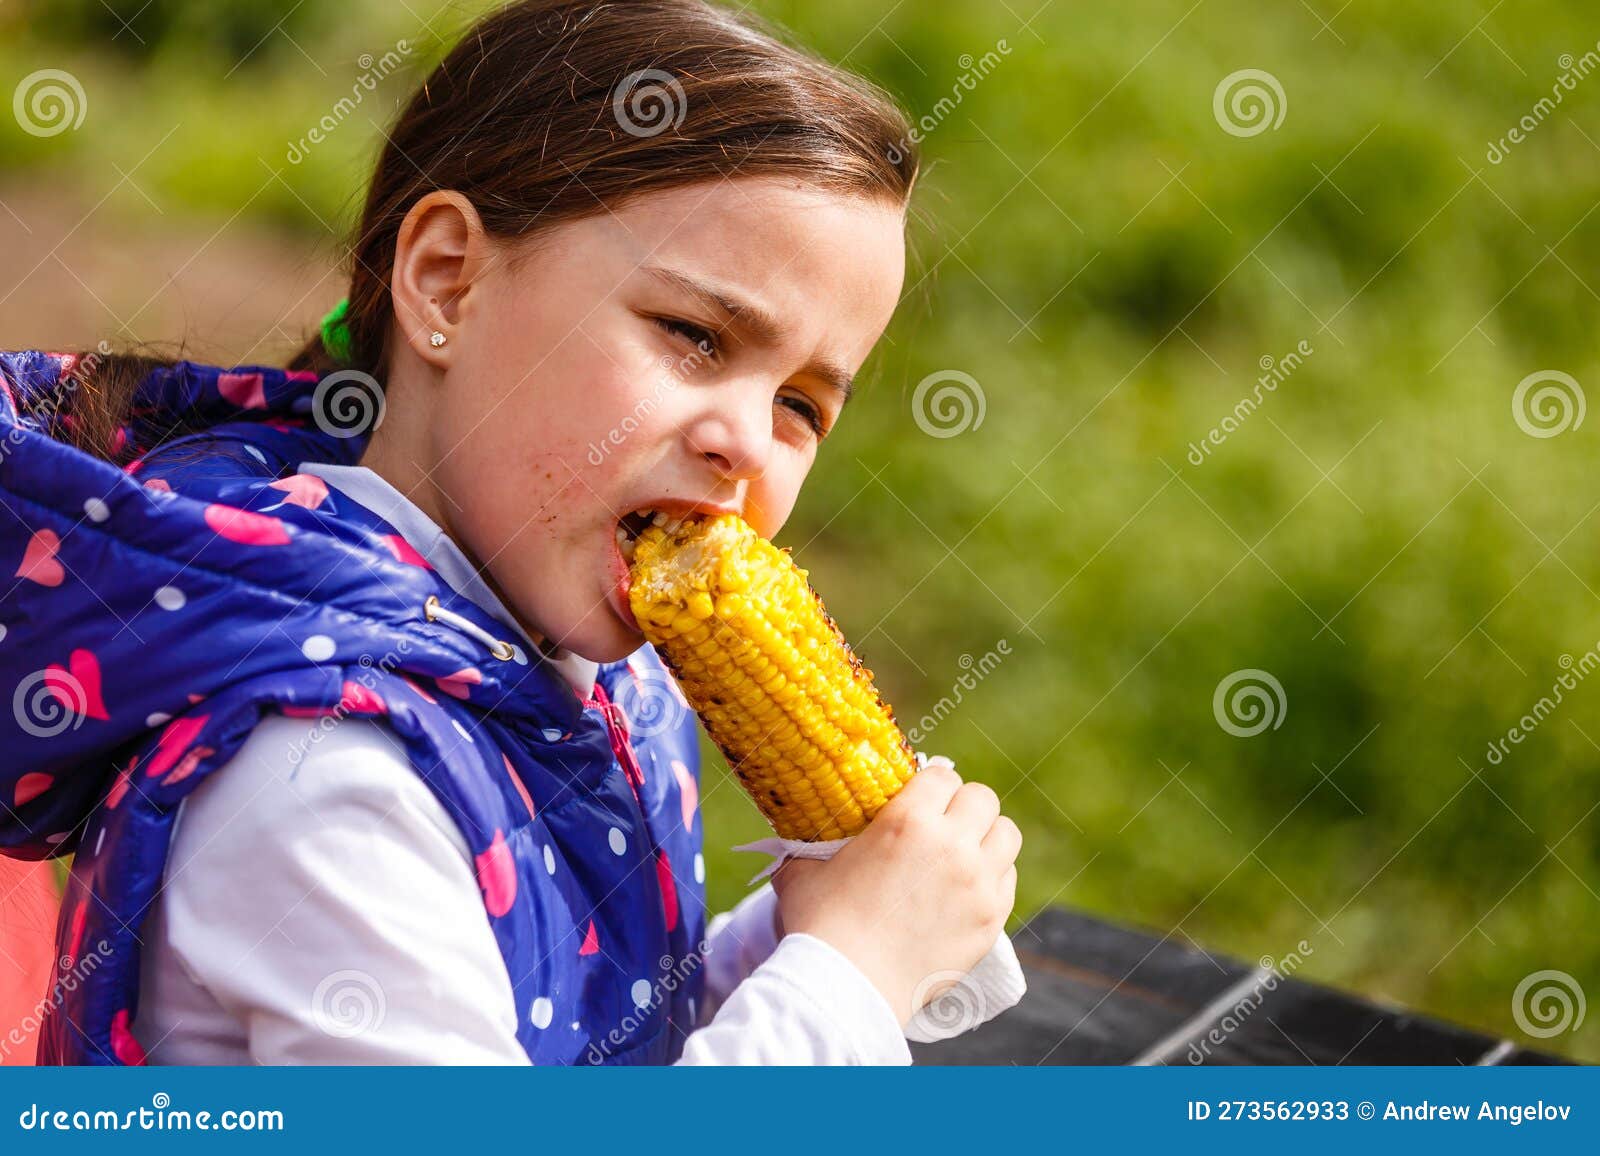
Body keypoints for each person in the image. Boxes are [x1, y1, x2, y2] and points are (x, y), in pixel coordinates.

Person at [0, 0, 1020, 1065]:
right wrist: (848, 979)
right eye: (695, 335)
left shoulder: (573, 648)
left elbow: (599, 1034)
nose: (747, 444)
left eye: (802, 405)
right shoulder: (324, 772)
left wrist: (810, 929)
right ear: (448, 279)